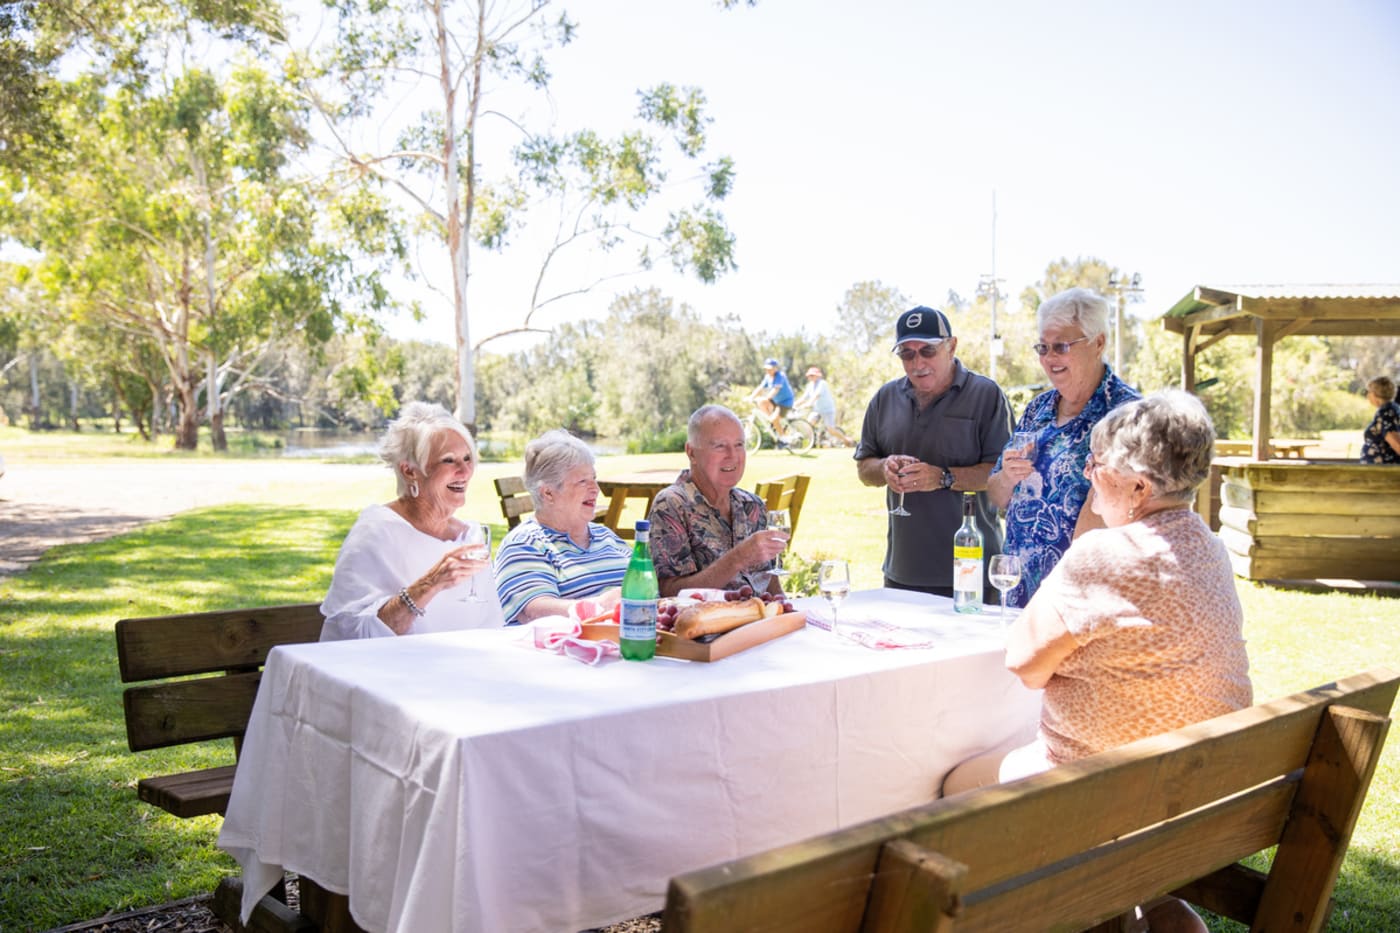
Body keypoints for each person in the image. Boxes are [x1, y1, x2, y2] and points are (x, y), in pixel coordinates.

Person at [943, 391, 1252, 933]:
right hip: (1201, 791)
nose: (1088, 475)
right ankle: (1147, 912)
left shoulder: (1102, 554)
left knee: (953, 785)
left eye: (1096, 464)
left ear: (1139, 486)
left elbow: (1024, 665)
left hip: (1096, 797)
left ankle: (1039, 915)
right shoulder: (1211, 547)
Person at [987, 287, 1139, 608]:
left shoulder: (1126, 414)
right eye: (1043, 347)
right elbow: (995, 495)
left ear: (1099, 343)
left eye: (1061, 346)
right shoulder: (1036, 409)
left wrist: (1064, 597)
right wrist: (1006, 478)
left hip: (1083, 597)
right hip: (1017, 593)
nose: (1049, 358)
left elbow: (1122, 509)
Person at [854, 306, 1012, 600]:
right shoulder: (884, 398)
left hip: (970, 569)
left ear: (951, 346)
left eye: (927, 350)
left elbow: (1000, 473)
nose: (918, 363)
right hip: (903, 573)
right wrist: (884, 467)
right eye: (907, 354)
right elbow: (864, 468)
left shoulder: (986, 395)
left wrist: (943, 477)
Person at [320, 401, 505, 640]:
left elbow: (491, 626)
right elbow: (351, 635)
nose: (465, 471)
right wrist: (431, 583)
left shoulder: (470, 536)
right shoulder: (376, 532)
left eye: (467, 458)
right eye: (449, 460)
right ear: (409, 471)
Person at [648, 405, 789, 597]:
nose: (732, 456)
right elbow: (669, 593)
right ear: (691, 453)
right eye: (719, 446)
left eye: (739, 444)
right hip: (709, 625)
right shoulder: (672, 505)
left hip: (760, 621)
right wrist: (737, 558)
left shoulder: (753, 506)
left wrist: (785, 610)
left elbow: (770, 580)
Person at [493, 430, 631, 624]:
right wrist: (599, 606)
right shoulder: (524, 544)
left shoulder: (605, 536)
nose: (596, 489)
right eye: (583, 481)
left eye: (594, 479)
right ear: (548, 493)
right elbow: (533, 610)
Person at [795, 366, 855, 446]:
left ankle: (846, 440)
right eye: (809, 376)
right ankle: (812, 443)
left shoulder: (822, 383)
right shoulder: (810, 385)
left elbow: (817, 395)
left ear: (817, 376)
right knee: (808, 424)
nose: (810, 377)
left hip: (828, 410)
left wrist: (809, 403)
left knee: (830, 429)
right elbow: (804, 397)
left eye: (812, 375)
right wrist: (794, 404)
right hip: (817, 410)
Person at [750, 357, 795, 434]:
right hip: (776, 401)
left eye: (770, 369)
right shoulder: (768, 377)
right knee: (761, 401)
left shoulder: (780, 376)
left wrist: (767, 397)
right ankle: (772, 422)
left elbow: (776, 389)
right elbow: (760, 388)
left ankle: (783, 439)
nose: (768, 371)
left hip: (785, 402)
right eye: (766, 369)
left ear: (775, 368)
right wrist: (751, 397)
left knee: (774, 419)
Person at [1361, 376, 1400, 464]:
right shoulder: (1393, 408)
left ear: (1374, 394)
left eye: (1368, 392)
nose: (1367, 395)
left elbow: (1397, 444)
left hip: (1384, 472)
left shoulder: (1386, 413)